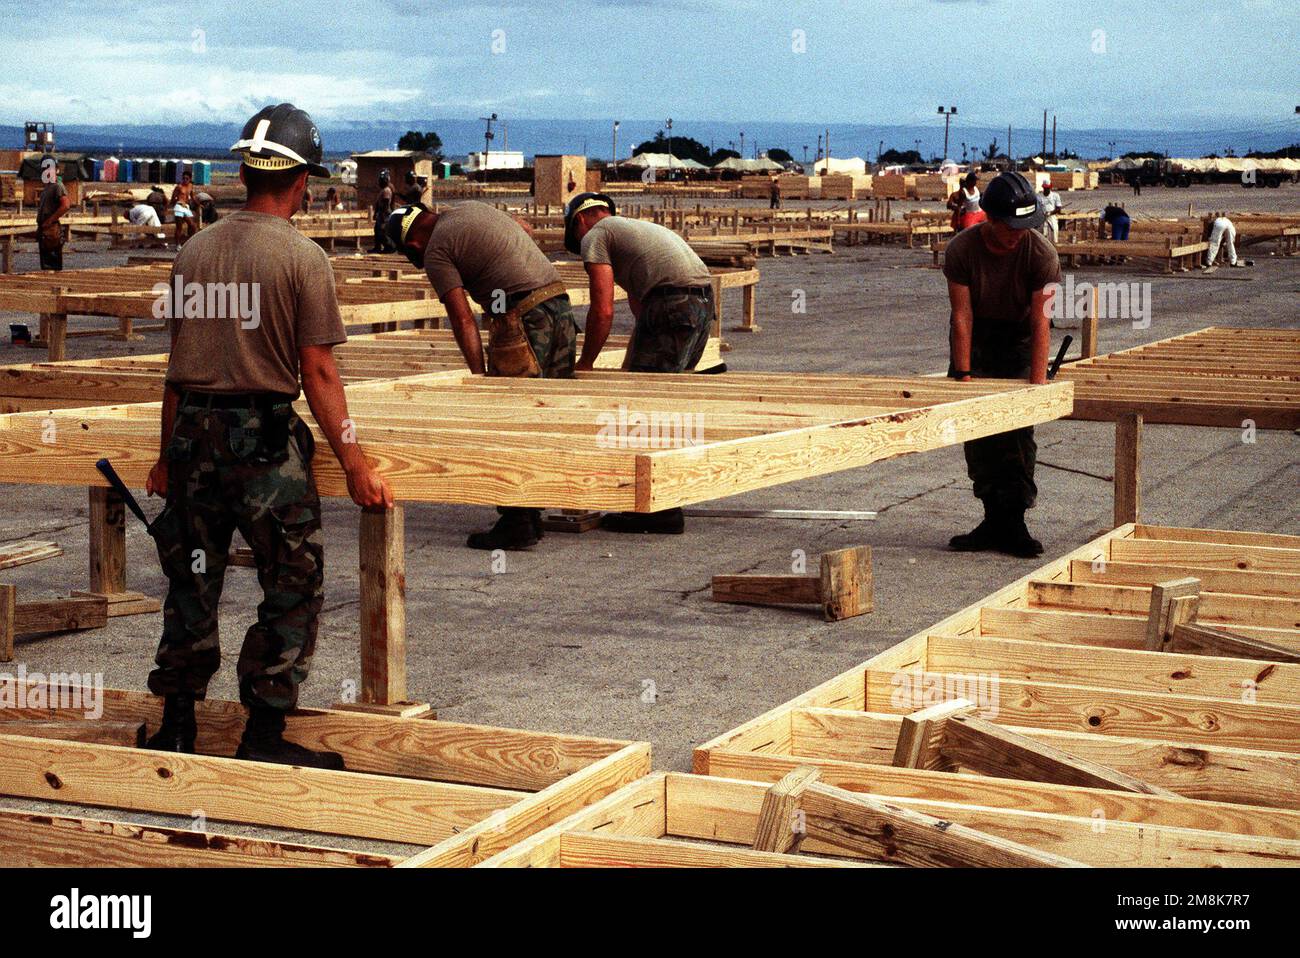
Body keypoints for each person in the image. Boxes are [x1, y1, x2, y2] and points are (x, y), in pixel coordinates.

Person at [143, 102, 393, 768]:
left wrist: (168, 458)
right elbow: (317, 370)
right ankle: (262, 734)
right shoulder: (303, 258)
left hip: (194, 435)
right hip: (262, 442)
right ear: (301, 179)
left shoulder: (193, 251)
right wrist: (356, 460)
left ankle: (176, 725)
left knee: (192, 579)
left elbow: (177, 371)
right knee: (292, 581)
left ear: (248, 171)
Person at [385, 200, 577, 550]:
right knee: (545, 413)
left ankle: (518, 522)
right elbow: (523, 228)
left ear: (412, 245)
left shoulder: (436, 250)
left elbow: (461, 319)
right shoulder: (467, 209)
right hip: (560, 305)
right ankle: (532, 510)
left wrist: (478, 378)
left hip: (524, 317)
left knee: (509, 417)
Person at [562, 192, 715, 535]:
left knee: (644, 407)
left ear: (579, 221)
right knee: (661, 401)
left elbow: (602, 310)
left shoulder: (595, 236)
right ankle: (665, 498)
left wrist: (585, 364)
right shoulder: (633, 230)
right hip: (702, 305)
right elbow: (641, 309)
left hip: (673, 304)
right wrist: (632, 363)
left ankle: (658, 511)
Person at [942, 171, 1058, 558]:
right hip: (977, 339)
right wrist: (963, 376)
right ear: (990, 219)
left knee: (1017, 436)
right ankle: (993, 519)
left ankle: (1015, 521)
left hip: (1021, 339)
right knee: (978, 434)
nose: (1017, 235)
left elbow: (1043, 320)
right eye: (1011, 227)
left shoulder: (1042, 254)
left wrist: (1037, 385)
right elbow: (961, 316)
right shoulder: (961, 250)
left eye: (1025, 227)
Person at [36, 170, 71, 271]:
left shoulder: (57, 186)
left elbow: (65, 205)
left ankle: (55, 282)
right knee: (46, 259)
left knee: (52, 259)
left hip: (50, 228)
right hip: (44, 226)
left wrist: (50, 220)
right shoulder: (47, 188)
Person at [170, 171, 197, 247]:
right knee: (179, 227)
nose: (185, 180)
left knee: (192, 225)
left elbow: (192, 197)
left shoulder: (191, 186)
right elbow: (173, 199)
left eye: (187, 178)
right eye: (184, 178)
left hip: (186, 207)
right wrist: (177, 201)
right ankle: (177, 245)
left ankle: (188, 242)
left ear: (190, 179)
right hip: (179, 207)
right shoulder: (179, 187)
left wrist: (198, 204)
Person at [370, 169, 395, 252]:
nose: (379, 182)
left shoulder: (386, 190)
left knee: (382, 231)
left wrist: (383, 215)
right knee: (377, 230)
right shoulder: (384, 190)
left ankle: (389, 247)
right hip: (382, 213)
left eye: (381, 180)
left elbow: (386, 203)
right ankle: (377, 247)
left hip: (385, 214)